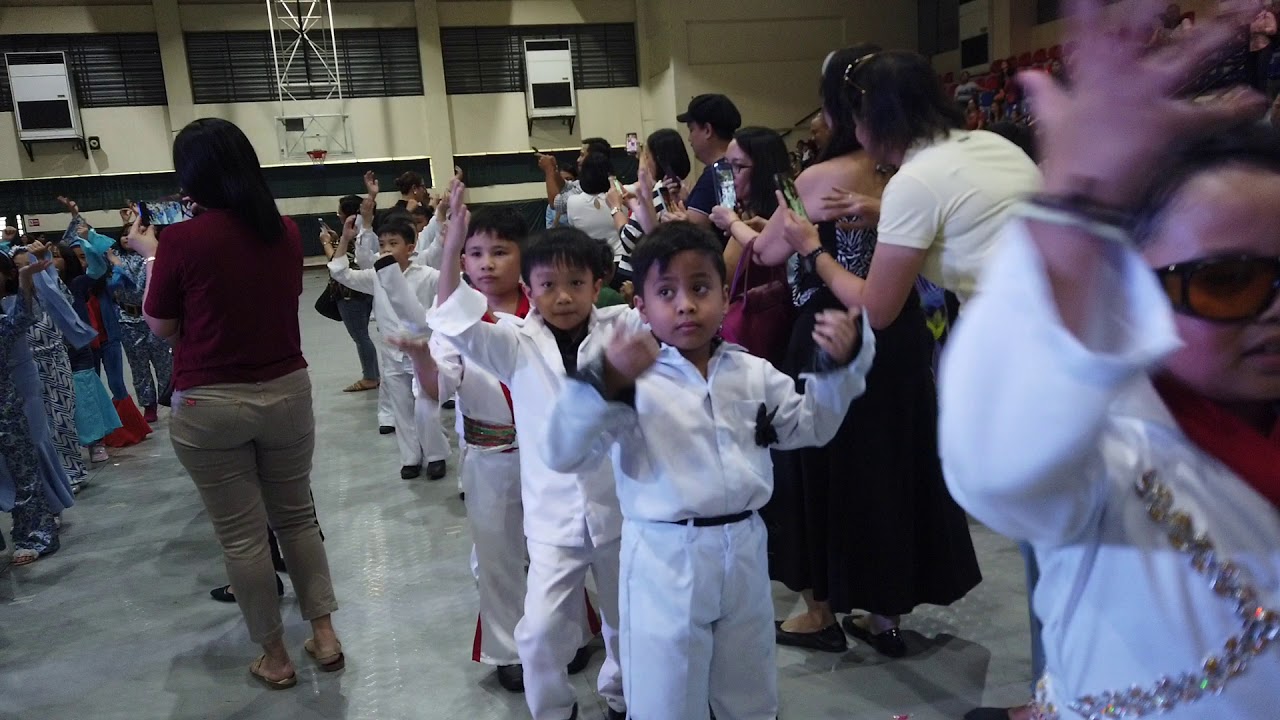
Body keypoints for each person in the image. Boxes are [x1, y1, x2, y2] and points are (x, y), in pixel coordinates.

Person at [942, 2, 1279, 718]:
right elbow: (993, 461)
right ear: (1133, 286)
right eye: (1228, 280)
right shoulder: (1099, 445)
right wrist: (1075, 211)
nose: (1274, 310)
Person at [541, 222, 873, 720]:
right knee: (667, 693)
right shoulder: (631, 378)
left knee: (749, 687)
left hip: (742, 547)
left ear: (724, 293)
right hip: (664, 554)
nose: (685, 306)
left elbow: (810, 427)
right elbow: (564, 452)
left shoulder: (751, 372)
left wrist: (839, 369)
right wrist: (605, 381)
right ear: (642, 305)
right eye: (666, 292)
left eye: (700, 289)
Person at [752, 45, 984, 657]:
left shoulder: (818, 178)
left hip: (834, 331)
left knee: (818, 467)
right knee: (891, 469)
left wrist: (765, 230)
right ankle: (885, 616)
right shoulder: (923, 170)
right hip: (906, 336)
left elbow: (772, 253)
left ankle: (821, 610)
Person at [137, 117, 342, 689]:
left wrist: (152, 257)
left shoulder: (181, 241)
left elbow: (161, 326)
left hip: (210, 401)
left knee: (243, 537)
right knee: (298, 517)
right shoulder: (283, 230)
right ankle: (324, 635)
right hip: (287, 393)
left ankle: (275, 656)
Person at [427, 184, 632, 720]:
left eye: (575, 283)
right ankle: (554, 709)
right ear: (529, 287)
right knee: (539, 634)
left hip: (618, 513)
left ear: (597, 284)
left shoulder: (621, 330)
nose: (562, 296)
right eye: (548, 285)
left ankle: (621, 697)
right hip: (552, 521)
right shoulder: (513, 343)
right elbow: (453, 315)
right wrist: (452, 245)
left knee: (624, 622)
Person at [384, 206, 601, 693]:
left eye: (500, 252)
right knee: (498, 555)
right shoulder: (457, 323)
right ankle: (508, 650)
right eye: (474, 253)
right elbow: (439, 387)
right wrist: (421, 356)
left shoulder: (550, 305)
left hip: (555, 460)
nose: (485, 264)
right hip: (491, 456)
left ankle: (571, 635)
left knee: (560, 550)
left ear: (526, 256)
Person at [329, 218, 449, 481]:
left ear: (411, 246)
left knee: (426, 407)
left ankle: (436, 455)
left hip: (423, 353)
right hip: (392, 355)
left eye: (393, 243)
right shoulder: (375, 275)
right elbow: (340, 273)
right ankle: (410, 458)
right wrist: (346, 239)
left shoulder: (428, 275)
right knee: (401, 407)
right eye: (382, 244)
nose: (385, 249)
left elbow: (451, 291)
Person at [0, 249, 89, 565]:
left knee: (35, 451)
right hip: (12, 386)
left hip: (27, 383)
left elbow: (24, 319)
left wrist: (29, 280)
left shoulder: (24, 301)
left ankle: (42, 520)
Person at [14, 241, 89, 492]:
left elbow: (66, 300)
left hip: (55, 358)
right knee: (36, 425)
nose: (27, 271)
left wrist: (45, 265)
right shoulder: (11, 301)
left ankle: (73, 471)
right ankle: (48, 478)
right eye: (20, 268)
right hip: (24, 367)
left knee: (62, 417)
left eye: (30, 265)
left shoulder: (50, 289)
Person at [56, 241, 121, 465]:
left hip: (79, 348)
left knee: (86, 393)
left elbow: (97, 269)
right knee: (59, 400)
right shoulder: (38, 287)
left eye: (55, 255)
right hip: (51, 350)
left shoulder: (77, 284)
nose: (50, 260)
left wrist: (85, 238)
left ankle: (96, 442)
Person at [107, 224, 173, 423]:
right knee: (139, 367)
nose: (127, 238)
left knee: (164, 364)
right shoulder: (112, 259)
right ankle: (148, 405)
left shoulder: (152, 256)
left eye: (132, 234)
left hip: (154, 316)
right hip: (128, 318)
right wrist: (114, 263)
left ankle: (169, 400)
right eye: (124, 235)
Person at [709, 126, 794, 274]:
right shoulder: (744, 213)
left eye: (738, 166)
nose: (728, 175)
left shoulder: (755, 221)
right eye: (726, 165)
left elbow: (722, 280)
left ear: (763, 170)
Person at [320, 194, 380, 394]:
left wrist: (327, 244)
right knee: (362, 335)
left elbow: (336, 262)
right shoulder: (366, 231)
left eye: (340, 212)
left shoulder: (354, 234)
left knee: (360, 336)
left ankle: (371, 376)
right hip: (363, 292)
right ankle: (372, 374)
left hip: (349, 294)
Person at [608, 128, 692, 273]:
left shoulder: (658, 193)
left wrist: (615, 208)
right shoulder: (684, 187)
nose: (645, 162)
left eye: (647, 156)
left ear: (657, 160)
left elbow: (629, 240)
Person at [679, 93, 743, 231]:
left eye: (691, 130)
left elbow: (692, 232)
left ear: (707, 130)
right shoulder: (736, 168)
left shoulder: (715, 176)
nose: (689, 139)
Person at [565, 152, 622, 270]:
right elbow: (620, 186)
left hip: (589, 264)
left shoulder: (572, 202)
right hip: (620, 262)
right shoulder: (621, 196)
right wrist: (613, 177)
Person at [1249, 0, 1277, 93]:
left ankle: (1263, 98)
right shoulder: (1252, 18)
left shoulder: (1267, 15)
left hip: (1264, 46)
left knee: (1262, 74)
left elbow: (1273, 29)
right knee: (1253, 75)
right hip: (1253, 48)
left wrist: (1262, 30)